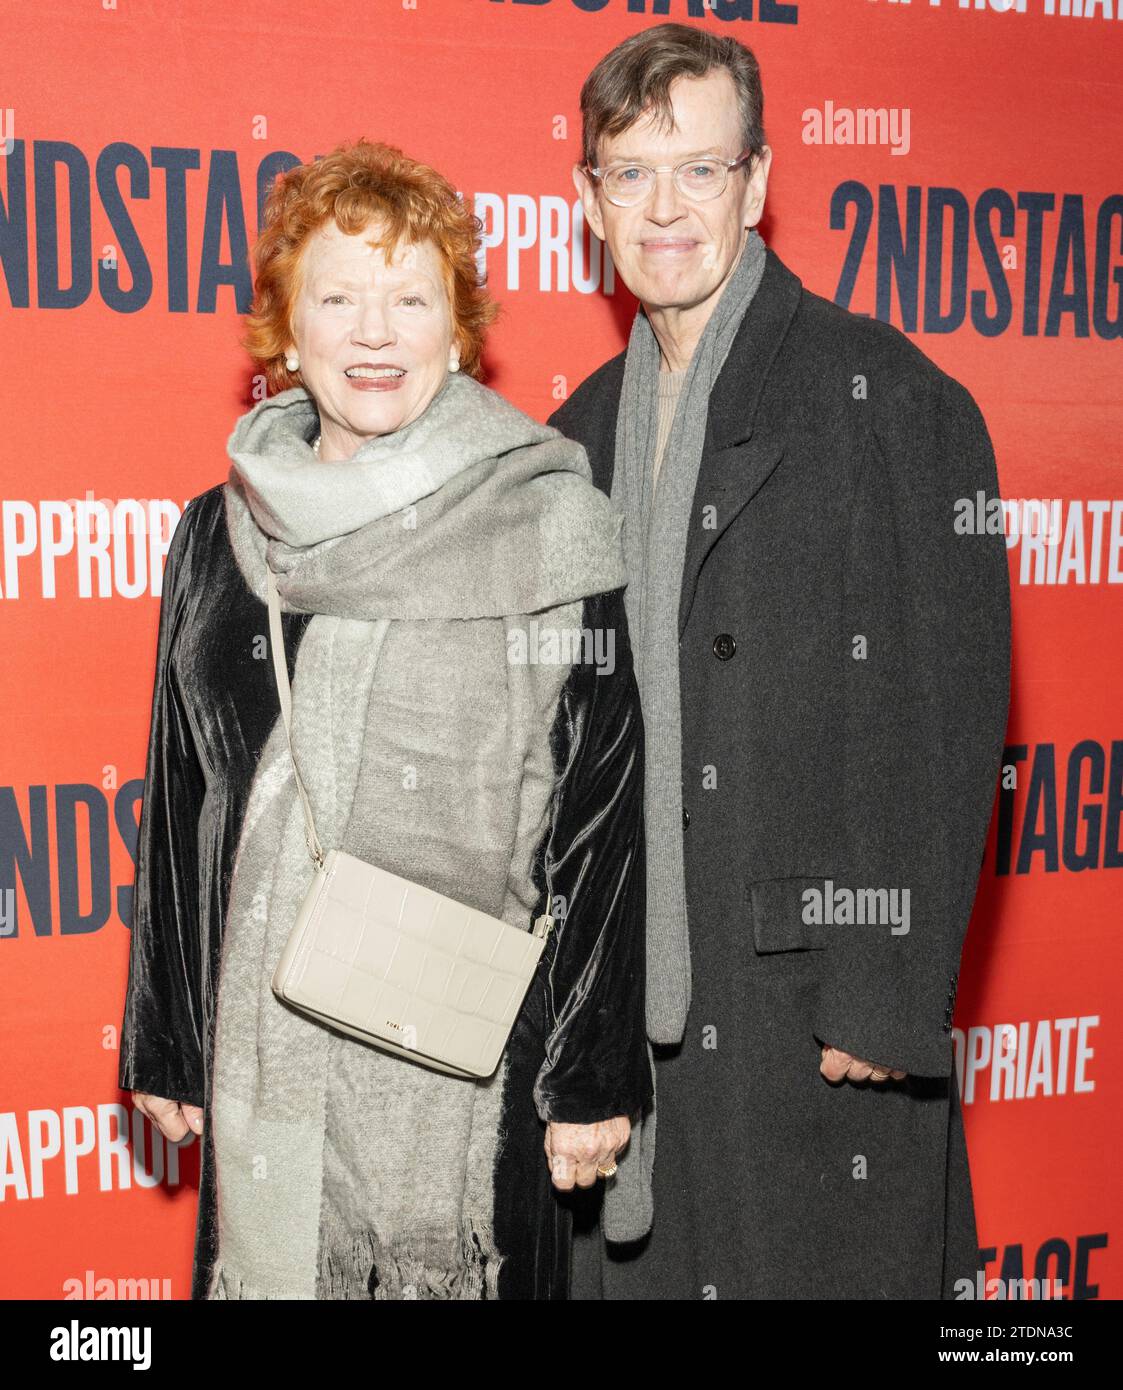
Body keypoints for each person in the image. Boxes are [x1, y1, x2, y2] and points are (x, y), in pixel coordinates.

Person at [117, 138, 651, 1300]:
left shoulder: (545, 523)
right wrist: (165, 1033)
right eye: (339, 297)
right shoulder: (217, 533)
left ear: (457, 332)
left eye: (409, 297)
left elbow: (599, 810)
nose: (374, 331)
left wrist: (591, 1070)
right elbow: (184, 794)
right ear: (286, 333)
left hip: (477, 1063)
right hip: (264, 1042)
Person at [548, 24, 1011, 1299]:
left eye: (699, 170)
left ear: (756, 184)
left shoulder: (888, 397)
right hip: (629, 1030)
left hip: (811, 1014)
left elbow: (952, 701)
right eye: (629, 174)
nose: (665, 208)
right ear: (588, 201)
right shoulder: (571, 438)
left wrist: (884, 984)